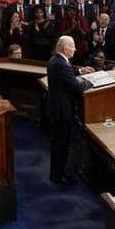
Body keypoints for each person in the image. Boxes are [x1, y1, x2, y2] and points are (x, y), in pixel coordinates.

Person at [46, 36, 93, 186]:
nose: (75, 49)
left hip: (56, 108)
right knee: (62, 145)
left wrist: (80, 70)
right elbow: (76, 86)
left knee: (58, 144)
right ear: (66, 48)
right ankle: (59, 177)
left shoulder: (55, 60)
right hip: (62, 111)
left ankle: (56, 174)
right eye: (73, 47)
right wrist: (91, 82)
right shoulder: (61, 64)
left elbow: (68, 71)